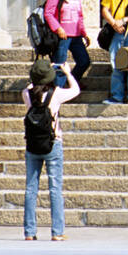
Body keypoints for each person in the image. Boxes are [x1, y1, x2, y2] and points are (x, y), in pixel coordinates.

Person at [22, 57, 78, 240]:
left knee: (31, 188)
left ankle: (30, 232)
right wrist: (68, 72)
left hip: (32, 144)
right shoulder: (57, 94)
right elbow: (75, 90)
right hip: (53, 143)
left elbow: (31, 87)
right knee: (55, 188)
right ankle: (57, 231)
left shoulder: (26, 93)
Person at [45, 0, 91, 88]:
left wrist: (84, 33)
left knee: (84, 61)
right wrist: (58, 28)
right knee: (60, 64)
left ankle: (72, 83)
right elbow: (48, 13)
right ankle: (57, 90)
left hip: (76, 36)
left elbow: (79, 16)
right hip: (62, 36)